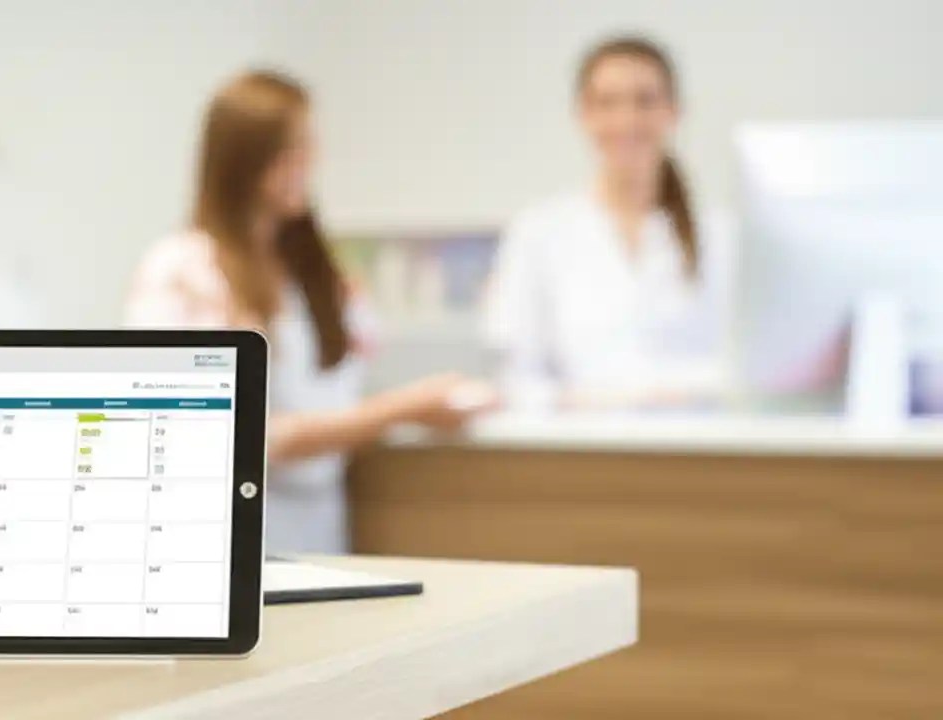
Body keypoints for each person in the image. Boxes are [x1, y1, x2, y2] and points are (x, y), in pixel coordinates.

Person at [126, 70, 495, 554]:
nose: (305, 164)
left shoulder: (307, 272)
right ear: (242, 162)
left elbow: (343, 375)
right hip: (226, 537)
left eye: (307, 146)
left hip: (320, 527)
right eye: (287, 152)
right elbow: (252, 435)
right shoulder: (182, 272)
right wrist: (402, 409)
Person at [486, 36, 734, 413]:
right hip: (579, 457)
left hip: (696, 456)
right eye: (608, 103)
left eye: (645, 101)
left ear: (673, 111)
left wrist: (674, 391)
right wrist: (581, 401)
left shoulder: (722, 236)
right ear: (583, 114)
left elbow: (747, 368)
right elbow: (516, 376)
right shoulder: (539, 233)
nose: (627, 120)